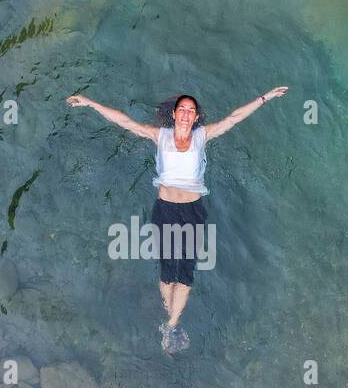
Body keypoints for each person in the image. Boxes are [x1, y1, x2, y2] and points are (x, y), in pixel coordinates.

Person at [66, 86, 289, 353]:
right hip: (166, 209)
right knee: (168, 269)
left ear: (196, 118)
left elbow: (234, 118)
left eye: (191, 111)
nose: (185, 114)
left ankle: (171, 323)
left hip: (193, 210)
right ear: (174, 114)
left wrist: (265, 97)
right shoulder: (159, 136)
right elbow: (124, 120)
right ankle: (169, 319)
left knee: (185, 272)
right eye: (181, 109)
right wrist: (91, 102)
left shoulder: (202, 137)